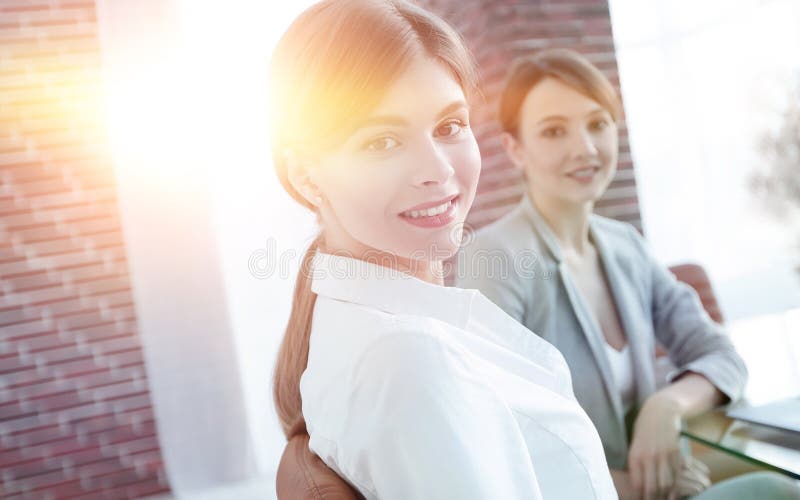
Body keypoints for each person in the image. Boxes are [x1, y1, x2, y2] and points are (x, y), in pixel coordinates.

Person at [269, 2, 619, 499]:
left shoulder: (381, 333)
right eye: (382, 142)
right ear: (306, 174)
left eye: (450, 126)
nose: (438, 170)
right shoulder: (408, 360)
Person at [456, 48, 800, 499]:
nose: (585, 148)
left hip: (662, 485)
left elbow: (722, 357)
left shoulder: (626, 246)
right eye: (554, 131)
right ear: (515, 149)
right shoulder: (493, 258)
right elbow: (500, 430)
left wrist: (667, 404)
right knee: (776, 491)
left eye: (598, 123)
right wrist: (632, 488)